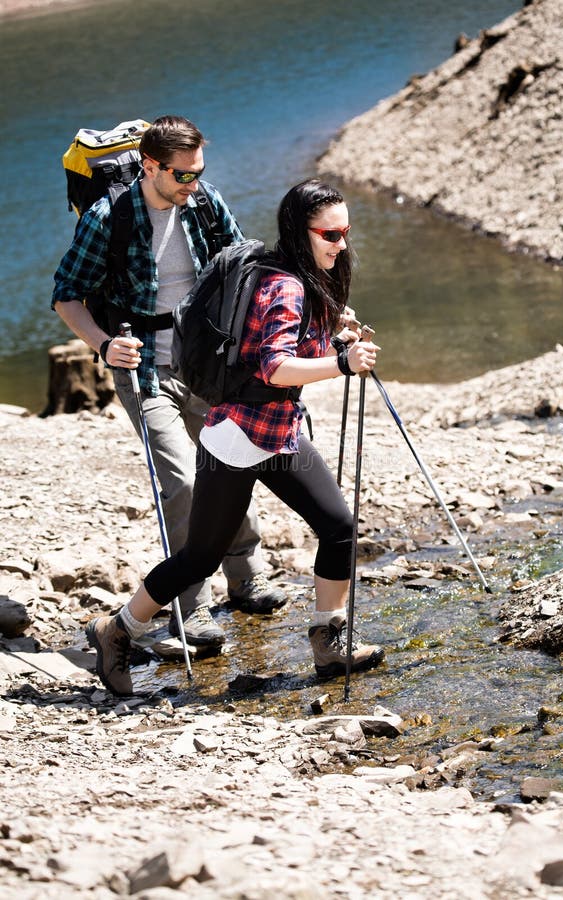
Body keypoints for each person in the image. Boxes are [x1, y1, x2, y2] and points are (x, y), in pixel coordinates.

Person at [85, 178, 386, 696]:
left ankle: (329, 641)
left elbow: (281, 348)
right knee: (200, 558)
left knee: (338, 526)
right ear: (301, 231)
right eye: (330, 234)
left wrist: (335, 336)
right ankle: (117, 629)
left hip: (276, 434)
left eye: (346, 232)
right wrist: (341, 363)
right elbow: (274, 367)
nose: (341, 244)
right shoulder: (286, 286)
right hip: (239, 441)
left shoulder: (296, 276)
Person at [52, 115, 287, 654]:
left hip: (208, 364)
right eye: (183, 175)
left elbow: (245, 266)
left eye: (198, 172)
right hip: (145, 371)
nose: (193, 183)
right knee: (183, 482)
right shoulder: (108, 217)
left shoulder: (203, 202)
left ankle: (247, 578)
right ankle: (191, 604)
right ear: (150, 167)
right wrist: (103, 345)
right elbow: (66, 294)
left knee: (232, 464)